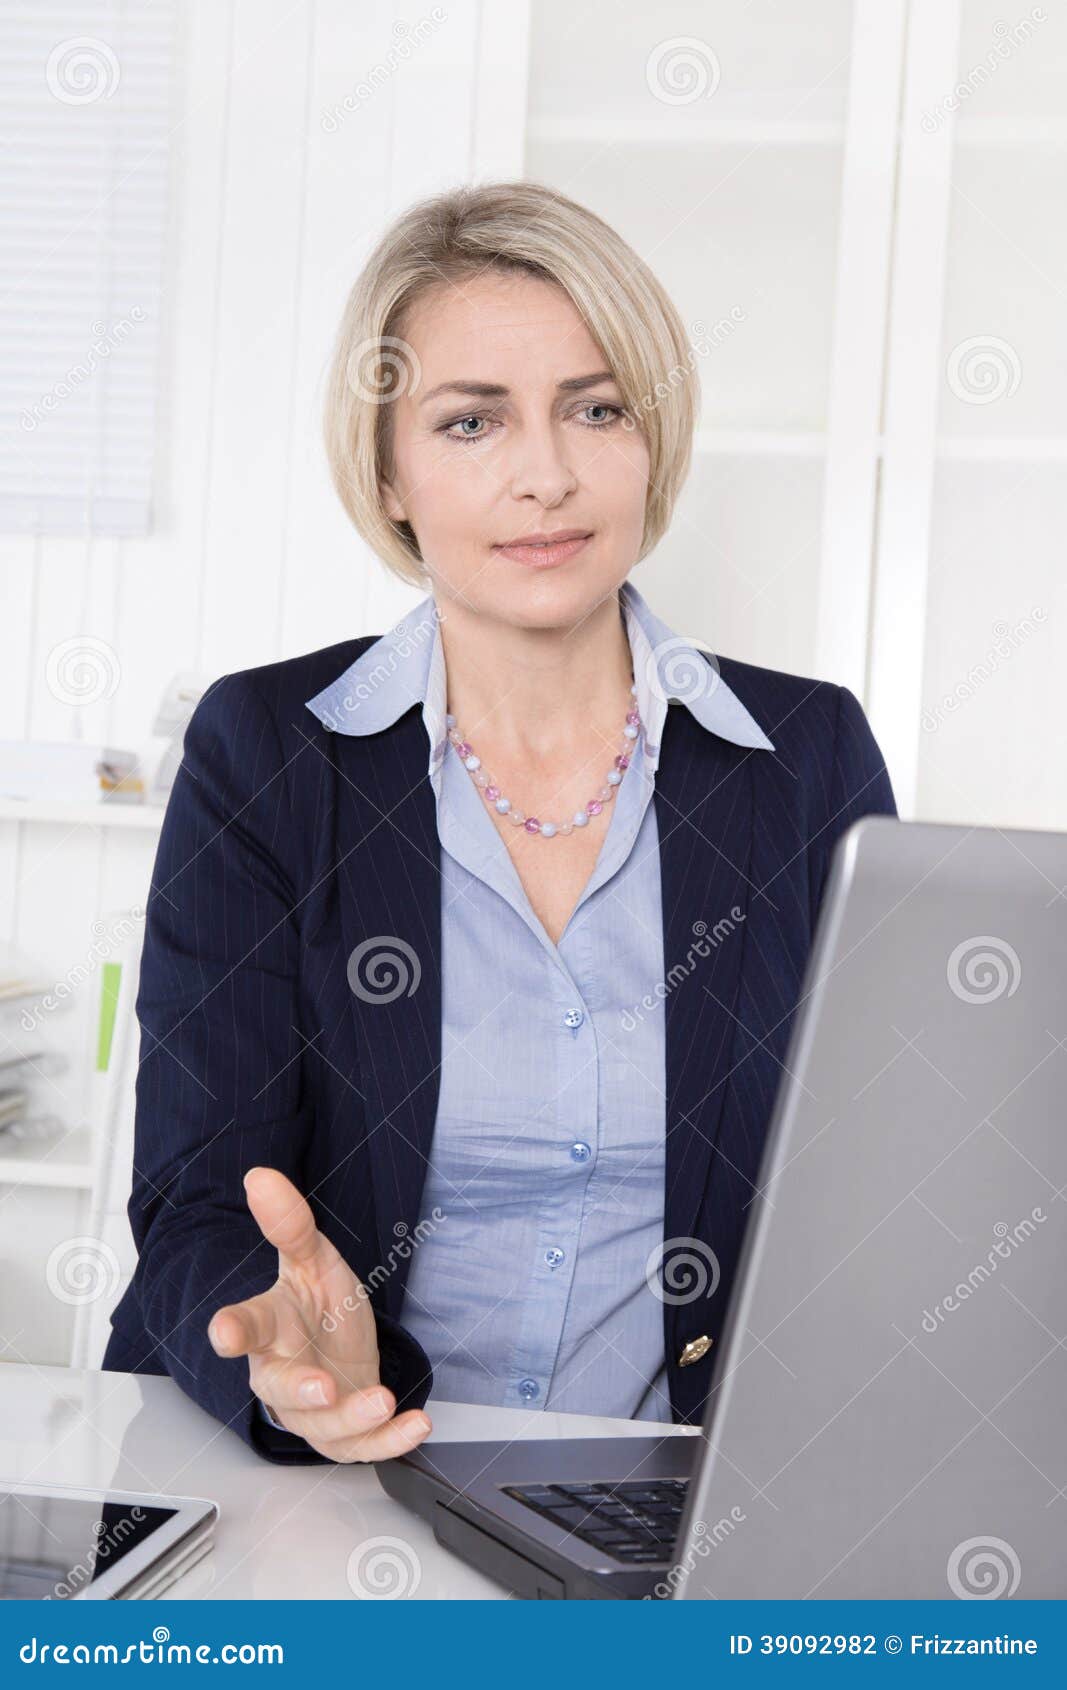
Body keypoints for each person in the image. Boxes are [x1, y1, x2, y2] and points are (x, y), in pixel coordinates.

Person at [102, 180, 896, 1465]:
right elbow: (201, 1194)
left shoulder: (801, 761)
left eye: (595, 408)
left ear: (655, 440)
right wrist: (305, 1359)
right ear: (389, 472)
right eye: (471, 422)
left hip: (672, 1501)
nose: (546, 474)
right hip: (314, 1481)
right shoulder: (266, 753)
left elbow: (873, 1184)